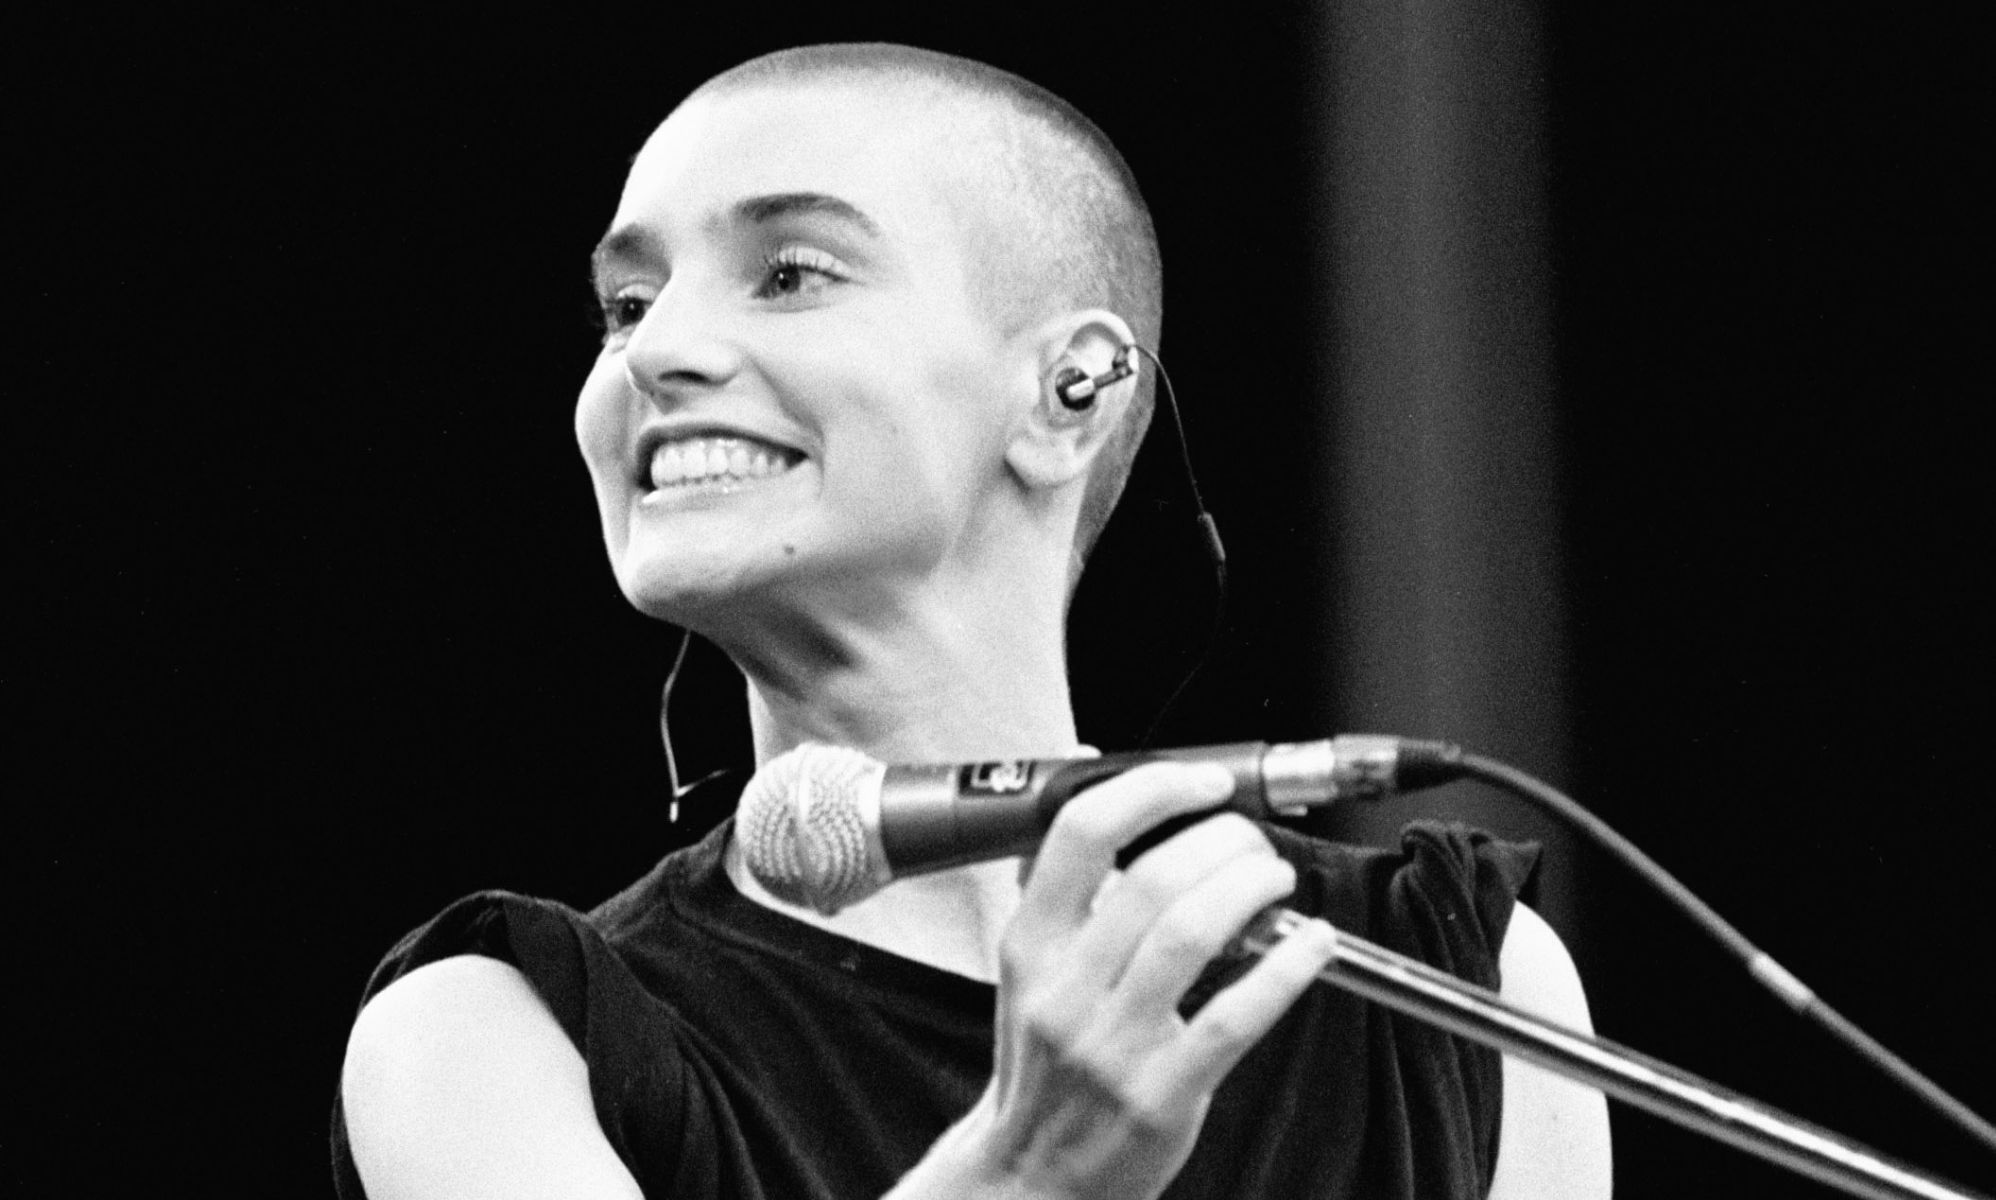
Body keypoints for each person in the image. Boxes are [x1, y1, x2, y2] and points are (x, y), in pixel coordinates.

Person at [335, 42, 1611, 1200]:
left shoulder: (1454, 987)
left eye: (787, 275)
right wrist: (1025, 1174)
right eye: (627, 306)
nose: (653, 352)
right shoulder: (490, 1042)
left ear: (1067, 393)